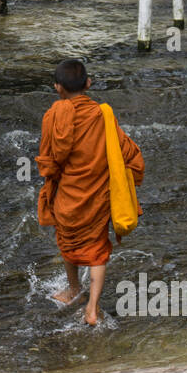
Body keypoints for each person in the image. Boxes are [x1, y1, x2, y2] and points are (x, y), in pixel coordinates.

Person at [36, 59, 144, 326]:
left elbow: (49, 158)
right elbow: (125, 150)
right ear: (88, 83)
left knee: (66, 240)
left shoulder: (52, 116)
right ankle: (93, 308)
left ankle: (73, 290)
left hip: (67, 194)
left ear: (57, 88)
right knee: (97, 250)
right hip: (97, 194)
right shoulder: (102, 114)